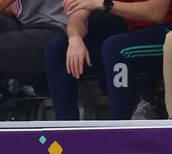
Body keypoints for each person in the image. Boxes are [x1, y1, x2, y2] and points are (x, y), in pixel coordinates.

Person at [44, 0, 172, 121]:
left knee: (114, 48)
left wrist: (105, 3)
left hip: (166, 33)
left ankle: (119, 128)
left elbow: (157, 13)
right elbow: (78, 13)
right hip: (132, 34)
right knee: (58, 50)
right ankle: (66, 134)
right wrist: (75, 38)